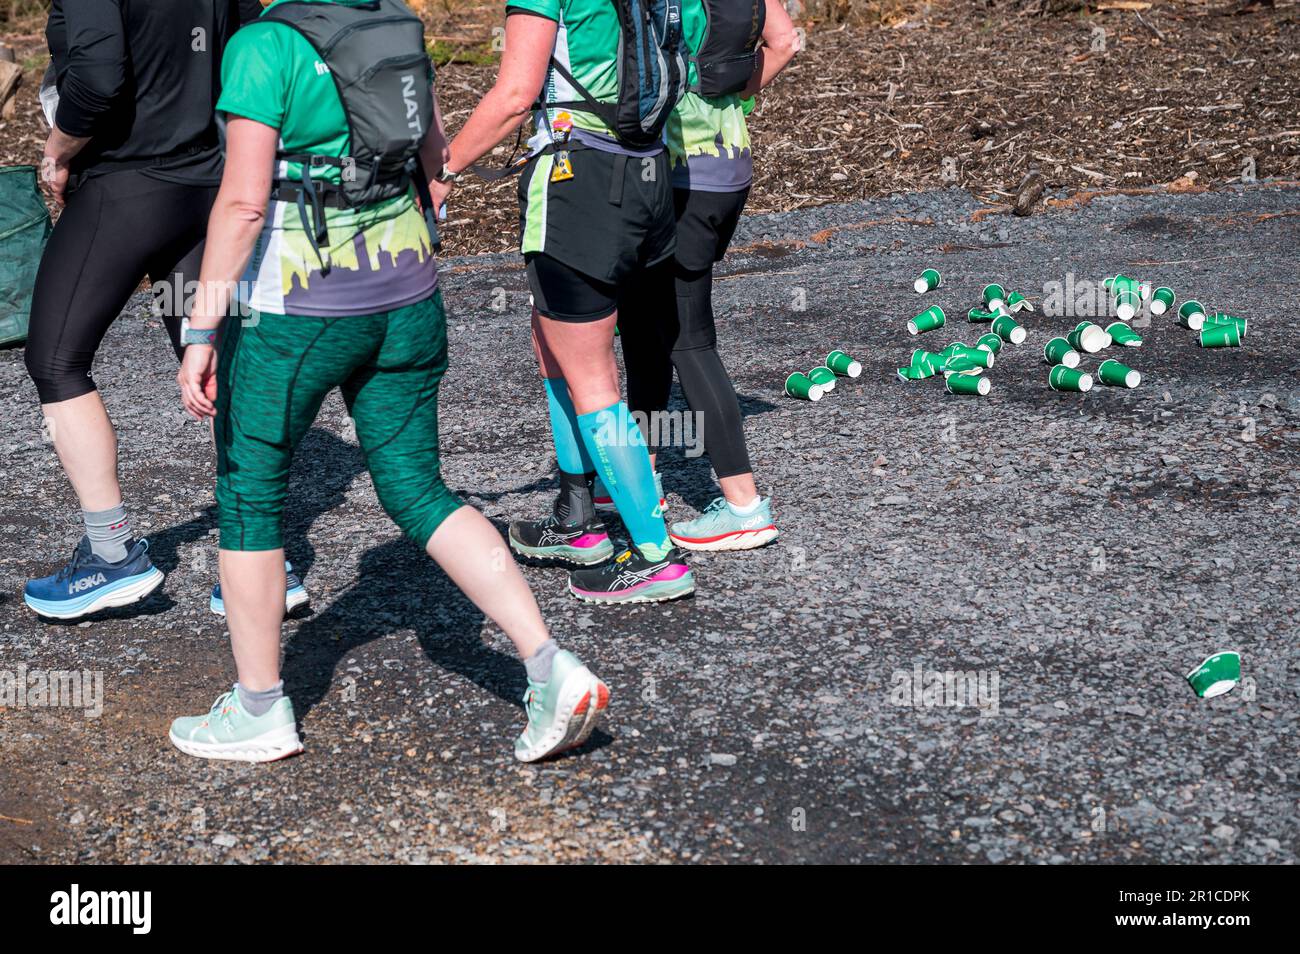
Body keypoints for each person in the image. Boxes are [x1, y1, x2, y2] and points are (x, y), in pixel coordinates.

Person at [169, 0, 608, 764]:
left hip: (295, 313)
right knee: (416, 489)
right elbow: (434, 162)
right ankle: (549, 666)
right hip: (406, 299)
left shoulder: (262, 46)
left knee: (249, 497)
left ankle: (260, 710)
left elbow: (242, 205)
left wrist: (201, 329)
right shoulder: (397, 22)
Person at [20, 0, 305, 621]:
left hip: (127, 191)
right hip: (207, 187)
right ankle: (262, 561)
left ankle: (111, 554)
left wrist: (58, 150)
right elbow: (252, 48)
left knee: (56, 360)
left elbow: (97, 77)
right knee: (211, 358)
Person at [433, 0, 696, 604]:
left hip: (581, 191)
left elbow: (514, 94)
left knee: (594, 378)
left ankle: (656, 556)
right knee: (553, 341)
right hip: (648, 179)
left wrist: (443, 170)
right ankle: (577, 517)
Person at [616, 0, 798, 551]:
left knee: (689, 339)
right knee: (651, 325)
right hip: (730, 160)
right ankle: (638, 481)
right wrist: (732, 95)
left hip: (676, 168)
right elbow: (784, 42)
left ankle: (745, 507)